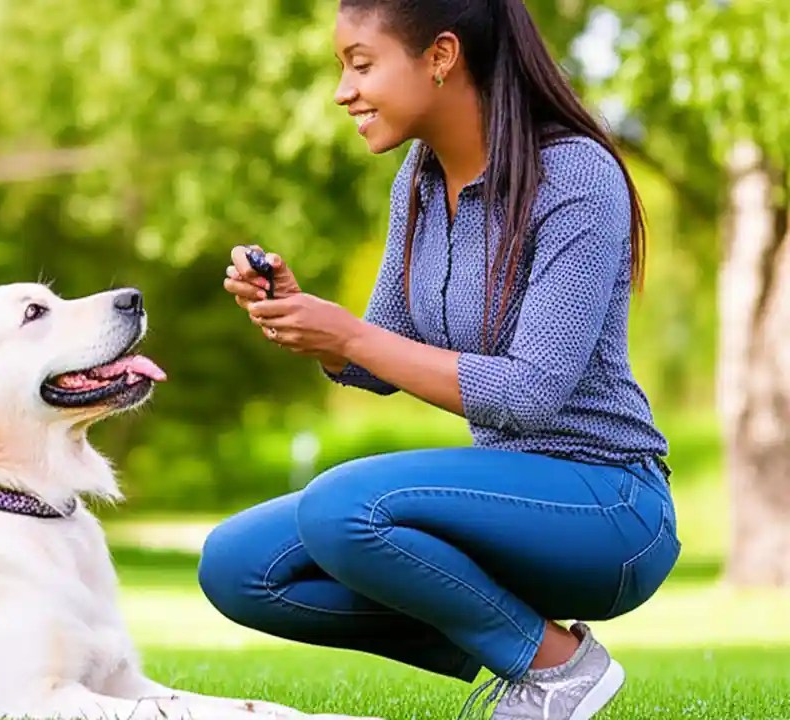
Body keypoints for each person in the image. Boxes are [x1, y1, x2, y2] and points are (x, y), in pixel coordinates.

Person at [202, 1, 681, 719]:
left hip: (610, 506)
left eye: (361, 65)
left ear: (441, 56)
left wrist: (350, 337)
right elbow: (379, 354)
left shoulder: (576, 176)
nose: (342, 92)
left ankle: (556, 669)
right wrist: (311, 323)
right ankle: (522, 646)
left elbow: (530, 394)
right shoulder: (419, 182)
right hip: (497, 506)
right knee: (239, 564)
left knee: (342, 508)